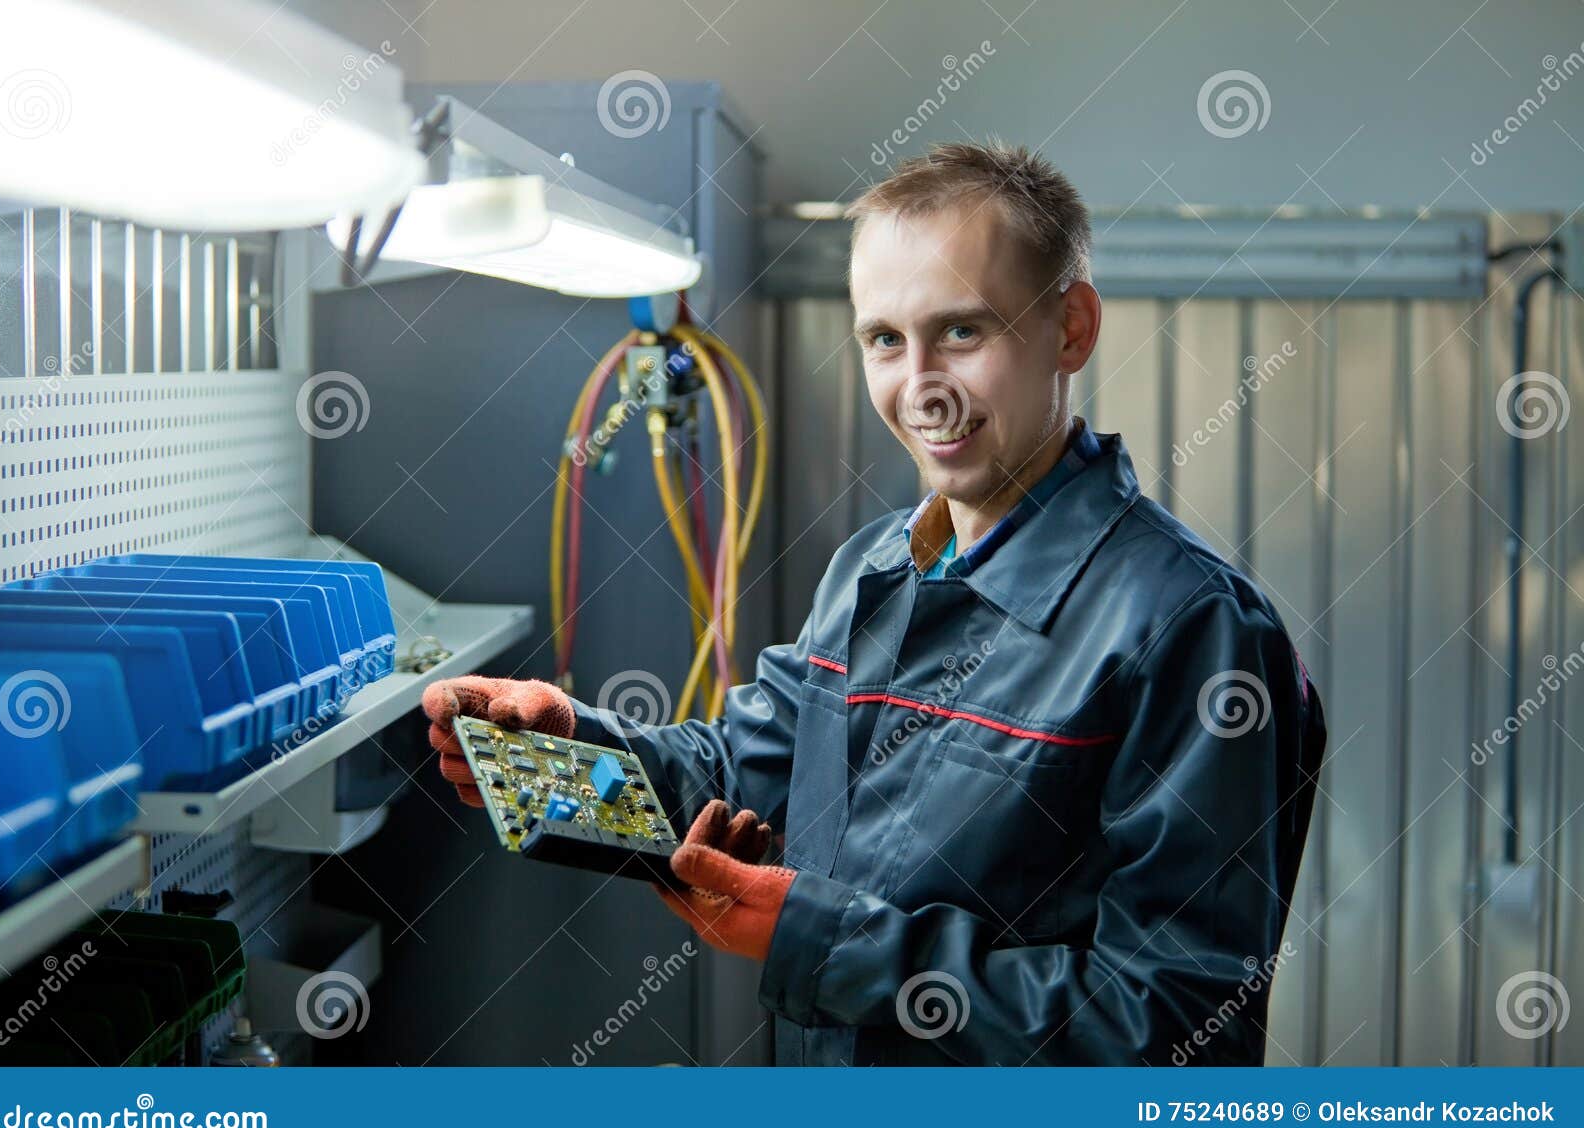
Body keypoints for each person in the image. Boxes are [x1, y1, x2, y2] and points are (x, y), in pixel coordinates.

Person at [422, 138, 1327, 1066]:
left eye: (963, 331)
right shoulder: (871, 569)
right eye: (886, 340)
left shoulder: (1192, 629)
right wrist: (565, 750)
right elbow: (744, 769)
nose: (921, 385)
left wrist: (826, 942)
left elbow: (1174, 1028)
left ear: (1072, 327)